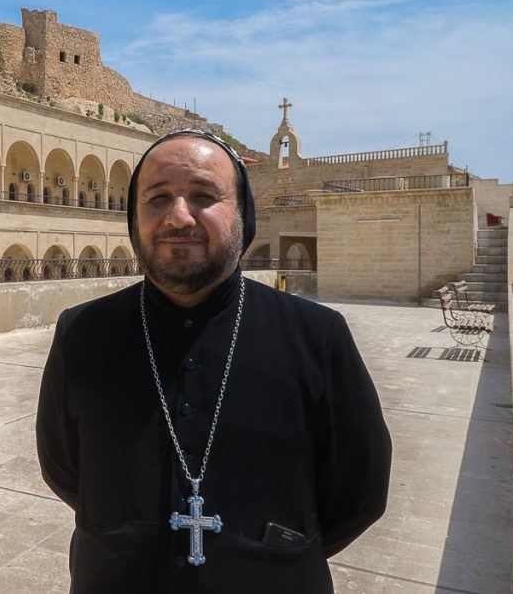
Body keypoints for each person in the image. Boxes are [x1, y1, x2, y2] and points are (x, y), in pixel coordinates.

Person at [36, 129, 392, 593]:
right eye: (157, 198)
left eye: (203, 196)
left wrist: (271, 552)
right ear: (133, 216)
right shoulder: (81, 334)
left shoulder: (318, 337)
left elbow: (359, 491)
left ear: (243, 215)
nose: (178, 217)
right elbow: (63, 468)